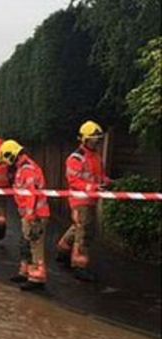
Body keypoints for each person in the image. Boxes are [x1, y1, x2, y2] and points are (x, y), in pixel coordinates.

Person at [57, 120, 108, 282]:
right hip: (80, 201)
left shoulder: (96, 156)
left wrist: (107, 182)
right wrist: (93, 187)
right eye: (94, 139)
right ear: (85, 139)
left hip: (91, 199)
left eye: (98, 139)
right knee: (83, 232)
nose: (96, 142)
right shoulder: (76, 158)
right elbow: (74, 181)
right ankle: (79, 266)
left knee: (79, 227)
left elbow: (99, 176)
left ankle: (63, 250)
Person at [0, 139, 50, 291]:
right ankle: (25, 272)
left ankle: (37, 278)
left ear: (11, 155)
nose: (7, 165)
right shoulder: (22, 168)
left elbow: (31, 194)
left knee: (35, 245)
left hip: (36, 215)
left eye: (6, 161)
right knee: (26, 243)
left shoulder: (27, 169)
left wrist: (30, 215)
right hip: (30, 214)